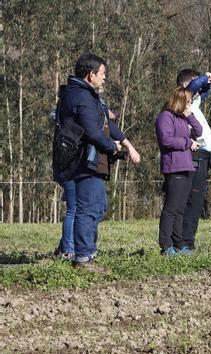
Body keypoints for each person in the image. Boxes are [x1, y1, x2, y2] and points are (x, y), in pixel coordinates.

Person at [54, 53, 142, 273]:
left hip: (89, 161)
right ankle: (83, 259)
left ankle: (85, 252)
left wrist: (127, 144)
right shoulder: (82, 97)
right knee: (87, 209)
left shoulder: (86, 95)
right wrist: (112, 147)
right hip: (84, 162)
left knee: (98, 207)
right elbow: (93, 131)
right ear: (90, 74)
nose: (105, 78)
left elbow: (105, 123)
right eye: (102, 74)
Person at [155, 87, 202, 256]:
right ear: (180, 100)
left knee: (181, 209)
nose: (189, 105)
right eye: (188, 102)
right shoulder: (165, 117)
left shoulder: (184, 118)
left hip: (187, 166)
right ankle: (166, 244)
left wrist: (190, 116)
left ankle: (178, 242)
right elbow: (166, 140)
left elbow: (199, 131)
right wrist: (187, 143)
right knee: (171, 208)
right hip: (174, 167)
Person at [176, 69, 211, 251]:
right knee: (191, 201)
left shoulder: (195, 104)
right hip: (195, 156)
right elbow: (194, 86)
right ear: (185, 86)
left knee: (197, 202)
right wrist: (204, 78)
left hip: (204, 157)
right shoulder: (184, 100)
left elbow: (204, 91)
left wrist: (208, 83)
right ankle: (184, 243)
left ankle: (188, 242)